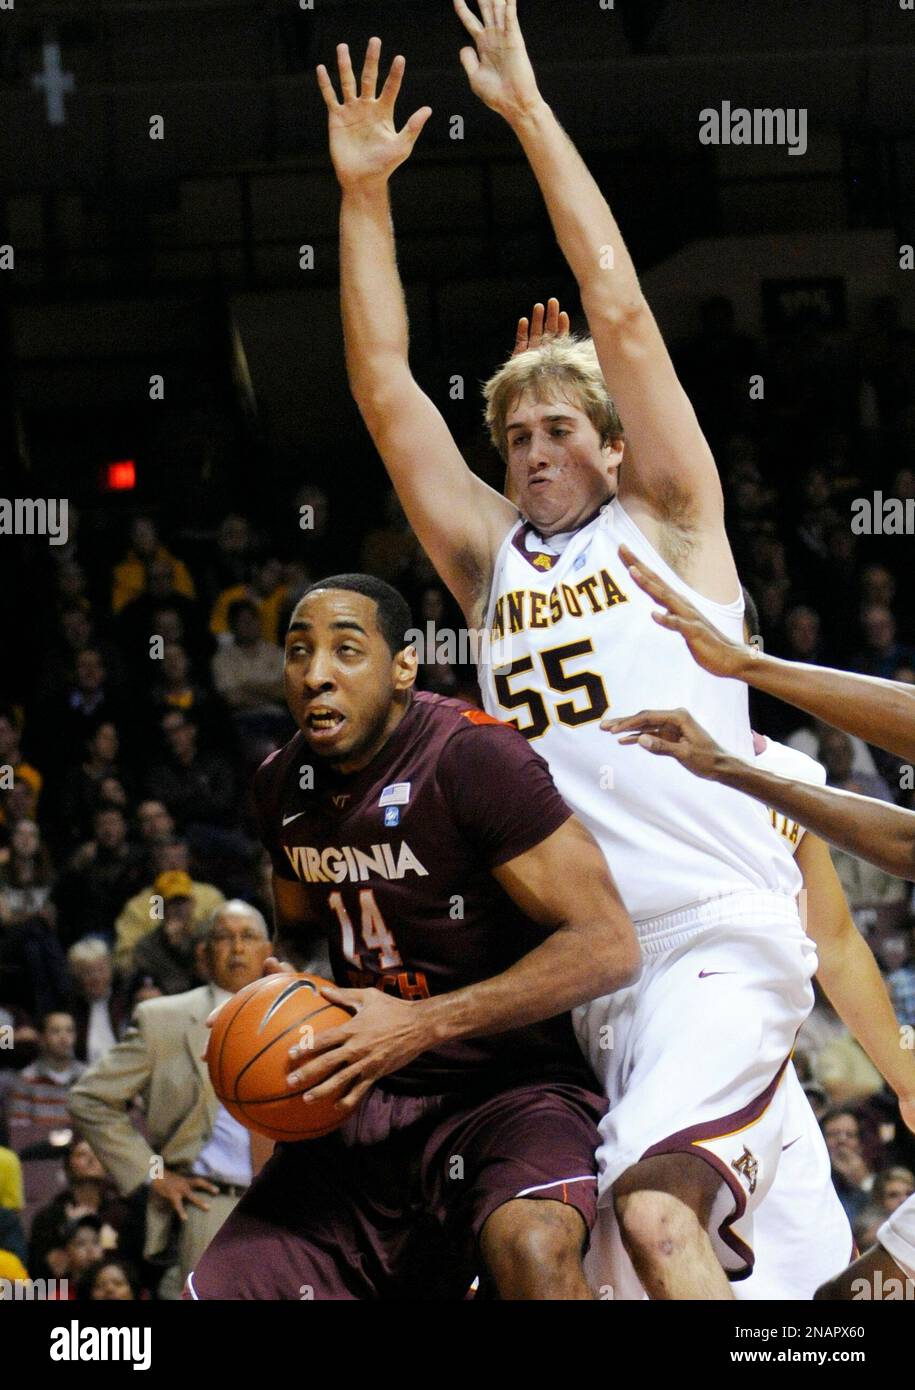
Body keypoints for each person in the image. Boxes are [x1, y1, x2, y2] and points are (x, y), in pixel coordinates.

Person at [325, 12, 820, 1298]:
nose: (535, 449)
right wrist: (365, 195)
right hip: (590, 975)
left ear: (608, 445)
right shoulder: (495, 565)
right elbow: (383, 384)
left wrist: (529, 115)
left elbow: (621, 305)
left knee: (655, 1220)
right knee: (630, 1271)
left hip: (717, 929)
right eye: (517, 435)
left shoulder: (670, 518)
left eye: (560, 427)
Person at [188, 575, 639, 1300]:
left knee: (532, 1247)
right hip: (363, 1097)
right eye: (298, 653)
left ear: (403, 666)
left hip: (507, 1094)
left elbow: (607, 945)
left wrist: (420, 1025)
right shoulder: (280, 785)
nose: (315, 674)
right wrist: (278, 991)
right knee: (223, 1291)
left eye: (345, 650)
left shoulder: (471, 759)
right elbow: (301, 932)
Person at [596, 543, 915, 1297]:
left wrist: (902, 1076)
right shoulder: (584, 770)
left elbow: (833, 941)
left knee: (823, 1297)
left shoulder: (787, 777)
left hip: (751, 1075)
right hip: (633, 1045)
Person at [68, 901, 274, 1300]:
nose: (236, 948)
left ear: (269, 950)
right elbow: (89, 1098)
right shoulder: (161, 1018)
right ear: (202, 954)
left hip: (291, 1202)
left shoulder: (303, 1013)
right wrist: (154, 1173)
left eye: (247, 937)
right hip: (210, 1202)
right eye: (223, 937)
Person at [8, 1011, 86, 1130]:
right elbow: (18, 1130)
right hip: (38, 1147)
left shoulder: (87, 1077)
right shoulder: (26, 1079)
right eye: (55, 1031)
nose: (64, 1037)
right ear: (42, 1038)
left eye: (69, 1031)